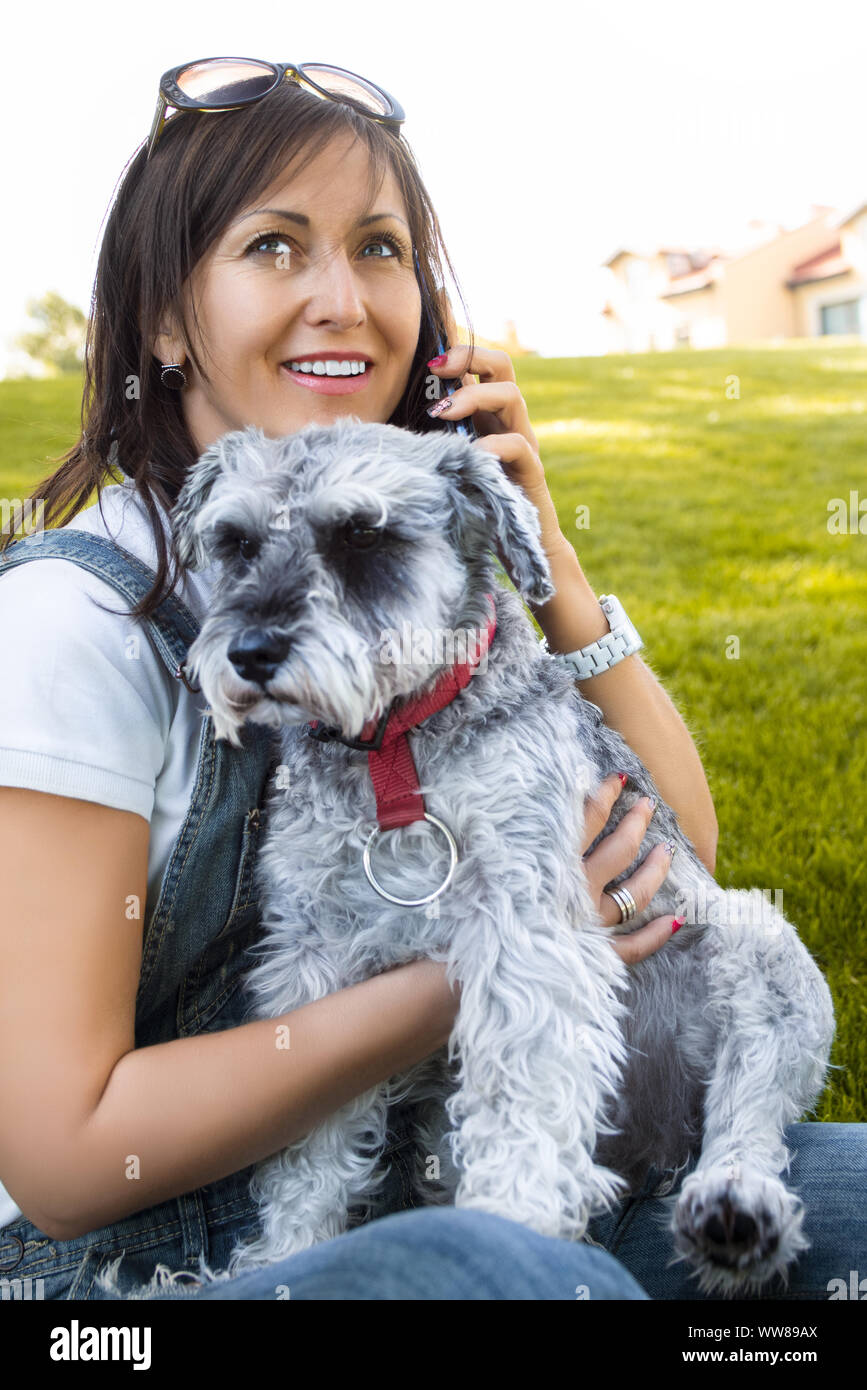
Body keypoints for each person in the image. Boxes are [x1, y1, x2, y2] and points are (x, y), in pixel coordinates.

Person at [0, 60, 859, 1303]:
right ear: (165, 321)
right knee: (503, 1272)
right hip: (143, 1264)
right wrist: (480, 963)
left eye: (380, 247)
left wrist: (537, 543)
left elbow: (668, 872)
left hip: (457, 1149)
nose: (343, 299)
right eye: (275, 247)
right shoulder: (68, 623)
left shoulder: (429, 550)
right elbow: (67, 1157)